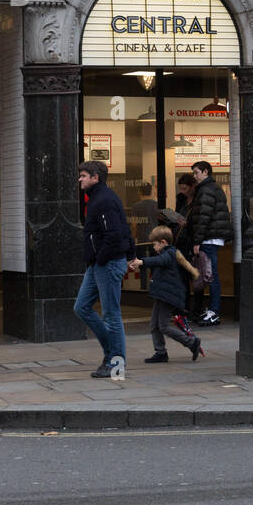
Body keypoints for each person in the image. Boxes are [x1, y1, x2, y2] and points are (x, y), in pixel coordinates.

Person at [75, 160, 136, 378]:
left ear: (95, 178)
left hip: (107, 264)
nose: (80, 179)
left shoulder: (103, 200)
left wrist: (102, 258)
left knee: (111, 315)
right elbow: (123, 228)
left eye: (83, 175)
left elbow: (115, 234)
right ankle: (110, 353)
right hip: (98, 264)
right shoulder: (98, 199)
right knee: (81, 307)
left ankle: (116, 364)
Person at [129, 226, 203, 363]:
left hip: (169, 296)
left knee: (163, 326)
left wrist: (141, 262)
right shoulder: (168, 254)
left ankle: (191, 342)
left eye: (154, 244)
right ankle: (161, 352)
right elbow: (157, 263)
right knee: (154, 325)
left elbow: (158, 261)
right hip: (163, 295)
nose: (153, 247)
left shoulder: (169, 254)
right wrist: (139, 264)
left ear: (163, 242)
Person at [189, 160, 231, 325]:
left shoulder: (206, 190)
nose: (194, 176)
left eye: (196, 172)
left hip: (209, 238)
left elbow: (203, 218)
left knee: (211, 275)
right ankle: (212, 310)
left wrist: (197, 240)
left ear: (206, 172)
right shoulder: (212, 188)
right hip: (212, 237)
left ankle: (214, 311)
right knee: (210, 274)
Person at [128, 182, 158, 246]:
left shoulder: (136, 206)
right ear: (151, 192)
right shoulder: (157, 205)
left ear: (140, 192)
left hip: (142, 240)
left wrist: (133, 241)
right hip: (156, 240)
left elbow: (134, 226)